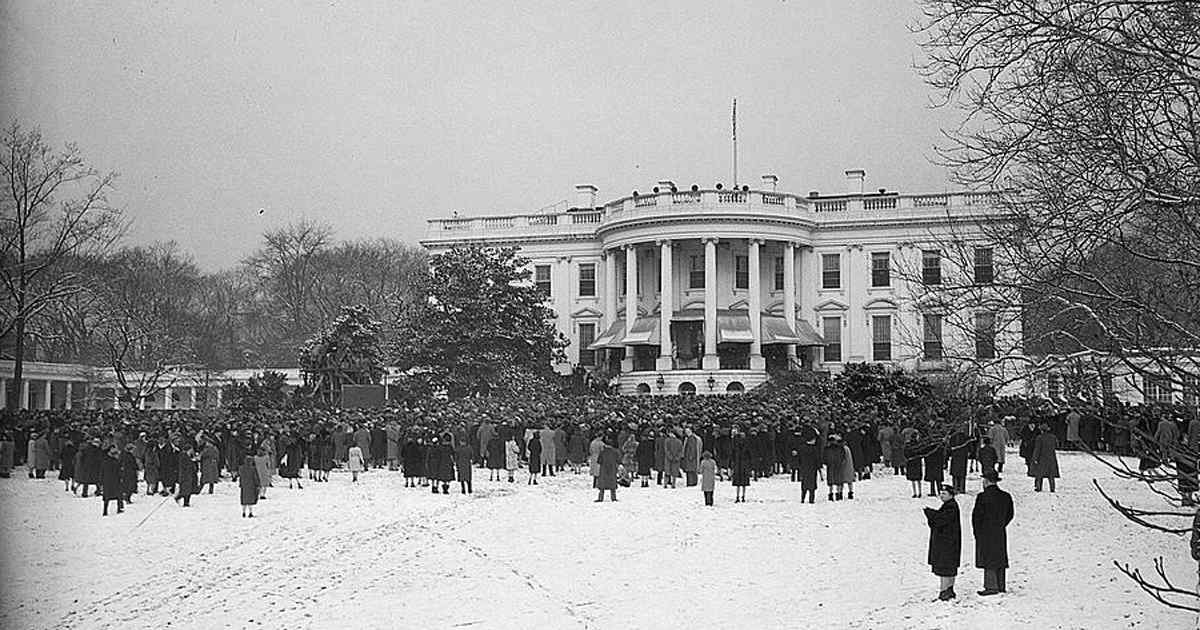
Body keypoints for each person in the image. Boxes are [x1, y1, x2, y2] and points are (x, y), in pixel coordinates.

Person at [972, 470, 1014, 595]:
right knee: (1000, 557)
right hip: (999, 531)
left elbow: (976, 517)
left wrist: (977, 531)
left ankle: (991, 586)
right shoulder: (1005, 496)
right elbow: (1010, 514)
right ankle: (1001, 585)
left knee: (988, 558)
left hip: (985, 532)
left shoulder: (982, 497)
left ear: (986, 481)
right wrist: (1001, 524)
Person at [924, 485, 962, 601]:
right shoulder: (950, 506)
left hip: (947, 543)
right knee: (949, 567)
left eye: (944, 493)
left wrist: (930, 513)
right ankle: (948, 589)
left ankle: (944, 591)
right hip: (950, 542)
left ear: (951, 495)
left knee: (945, 567)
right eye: (941, 493)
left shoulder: (950, 507)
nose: (941, 495)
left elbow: (941, 520)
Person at [1030, 423, 1060, 492]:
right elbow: (1057, 445)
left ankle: (1039, 487)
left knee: (1039, 474)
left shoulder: (1039, 438)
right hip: (1051, 457)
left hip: (1042, 458)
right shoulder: (1053, 437)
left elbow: (1037, 449)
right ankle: (1052, 488)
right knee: (1051, 474)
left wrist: (1035, 458)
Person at [796, 433, 821, 504]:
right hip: (812, 468)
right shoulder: (814, 449)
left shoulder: (802, 448)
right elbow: (817, 459)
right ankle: (811, 499)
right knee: (812, 485)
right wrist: (818, 466)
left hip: (804, 468)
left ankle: (802, 498)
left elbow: (799, 458)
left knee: (804, 484)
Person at [100, 445, 124, 516]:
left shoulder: (105, 461)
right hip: (115, 481)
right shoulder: (116, 462)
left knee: (107, 497)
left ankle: (105, 511)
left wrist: (101, 482)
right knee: (118, 495)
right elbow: (119, 472)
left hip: (107, 481)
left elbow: (101, 472)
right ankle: (119, 508)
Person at [595, 436, 619, 502]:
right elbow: (618, 460)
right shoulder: (615, 452)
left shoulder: (602, 452)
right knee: (612, 484)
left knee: (602, 484)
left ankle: (600, 498)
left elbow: (599, 461)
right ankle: (613, 497)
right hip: (612, 469)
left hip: (604, 470)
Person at [731, 429, 752, 503]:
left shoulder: (735, 445)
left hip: (739, 465)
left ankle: (739, 496)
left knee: (739, 483)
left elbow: (733, 455)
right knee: (743, 483)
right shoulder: (746, 445)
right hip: (743, 465)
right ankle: (742, 496)